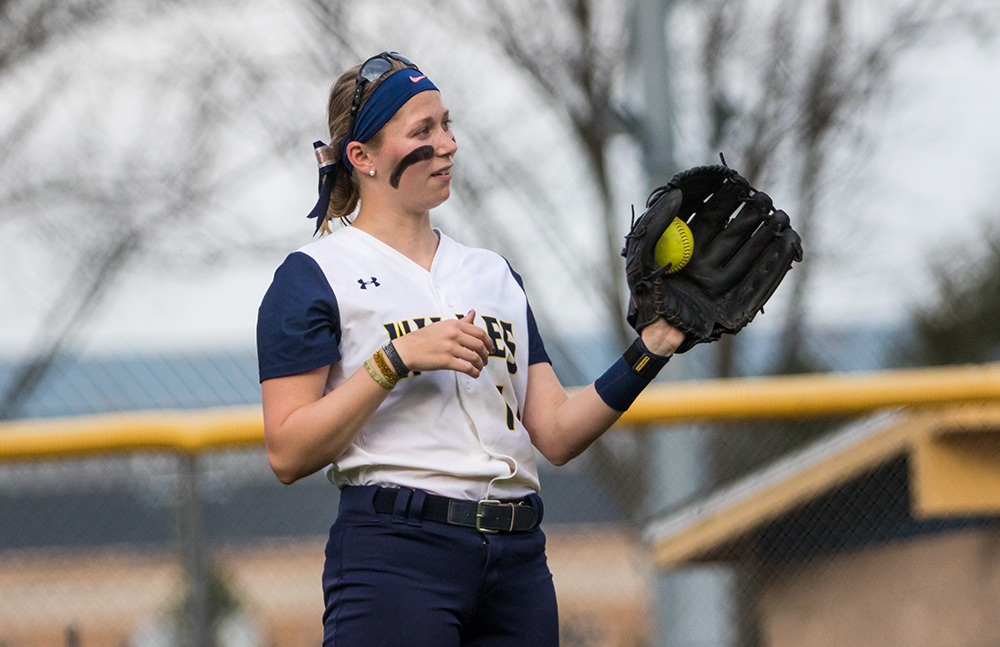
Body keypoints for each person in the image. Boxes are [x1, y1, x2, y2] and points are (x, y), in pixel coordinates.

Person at [256, 51, 684, 647]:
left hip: (518, 562)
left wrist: (654, 347)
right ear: (362, 158)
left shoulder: (492, 274)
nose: (448, 144)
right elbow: (286, 451)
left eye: (447, 124)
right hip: (397, 557)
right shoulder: (314, 275)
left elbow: (556, 432)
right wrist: (395, 359)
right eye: (423, 131)